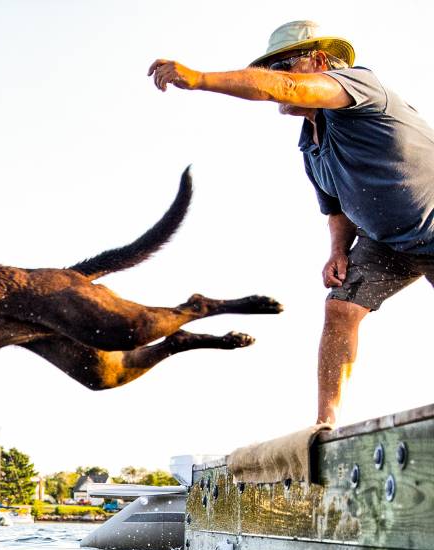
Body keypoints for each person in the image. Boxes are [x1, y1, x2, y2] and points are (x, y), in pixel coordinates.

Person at [148, 21, 434, 426]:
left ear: (318, 61)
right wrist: (337, 251)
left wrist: (199, 79)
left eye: (283, 64)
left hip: (432, 226)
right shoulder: (310, 143)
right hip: (387, 243)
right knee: (340, 309)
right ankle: (325, 426)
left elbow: (290, 88)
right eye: (271, 67)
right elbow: (335, 206)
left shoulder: (357, 87)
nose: (275, 75)